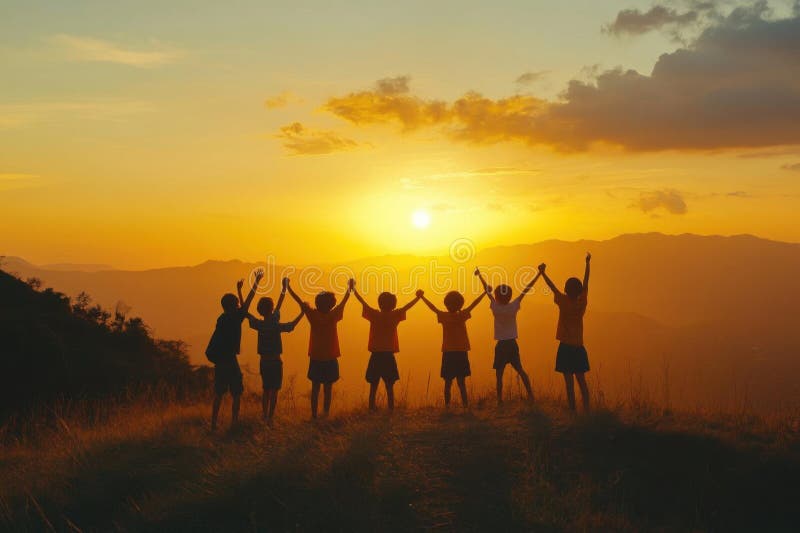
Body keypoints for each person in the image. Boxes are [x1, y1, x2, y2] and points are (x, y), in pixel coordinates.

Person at [206, 269, 263, 431]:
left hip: (220, 360)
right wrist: (256, 283)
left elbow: (244, 307)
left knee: (219, 393)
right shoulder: (235, 317)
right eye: (237, 304)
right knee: (237, 393)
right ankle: (234, 424)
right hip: (230, 360)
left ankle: (213, 424)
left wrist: (238, 290)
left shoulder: (223, 319)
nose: (239, 306)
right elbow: (248, 304)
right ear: (233, 306)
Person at [351, 281, 422, 411]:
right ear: (393, 304)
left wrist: (353, 289)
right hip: (388, 355)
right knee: (389, 386)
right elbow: (407, 307)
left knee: (373, 386)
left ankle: (371, 409)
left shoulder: (374, 315)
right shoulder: (394, 315)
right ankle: (391, 410)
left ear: (380, 303)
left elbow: (363, 302)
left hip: (376, 355)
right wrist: (418, 298)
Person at [287, 278, 351, 418]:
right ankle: (326, 414)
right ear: (331, 305)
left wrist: (288, 287)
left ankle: (314, 415)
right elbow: (344, 302)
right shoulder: (334, 315)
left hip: (316, 357)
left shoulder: (313, 315)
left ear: (317, 303)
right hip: (330, 356)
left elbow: (299, 301)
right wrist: (349, 288)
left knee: (315, 388)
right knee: (328, 389)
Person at [475, 267, 540, 404]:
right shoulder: (513, 306)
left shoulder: (495, 307)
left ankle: (499, 400)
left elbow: (487, 291)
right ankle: (531, 395)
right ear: (510, 296)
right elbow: (526, 289)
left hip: (501, 345)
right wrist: (539, 274)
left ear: (497, 297)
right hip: (512, 343)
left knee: (499, 374)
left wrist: (480, 275)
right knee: (520, 370)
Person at [247, 277, 304, 424]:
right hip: (276, 361)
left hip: (264, 362)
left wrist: (252, 286)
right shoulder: (275, 323)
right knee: (275, 390)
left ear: (260, 310)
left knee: (266, 389)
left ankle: (264, 414)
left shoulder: (259, 324)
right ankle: (270, 416)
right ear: (271, 309)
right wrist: (302, 313)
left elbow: (245, 312)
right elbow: (290, 325)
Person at [539, 253, 591, 412]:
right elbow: (586, 283)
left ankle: (572, 412)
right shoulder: (582, 302)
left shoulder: (563, 301)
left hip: (565, 348)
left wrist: (543, 273)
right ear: (580, 291)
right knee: (582, 382)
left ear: (566, 290)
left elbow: (552, 287)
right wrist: (587, 264)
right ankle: (587, 410)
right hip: (579, 347)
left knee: (569, 384)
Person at [419, 289, 487, 407]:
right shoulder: (462, 315)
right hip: (460, 352)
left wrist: (422, 297)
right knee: (461, 382)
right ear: (460, 304)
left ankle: (448, 406)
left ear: (446, 304)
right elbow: (474, 304)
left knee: (448, 382)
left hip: (449, 353)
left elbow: (433, 308)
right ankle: (464, 406)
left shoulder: (444, 316)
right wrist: (484, 293)